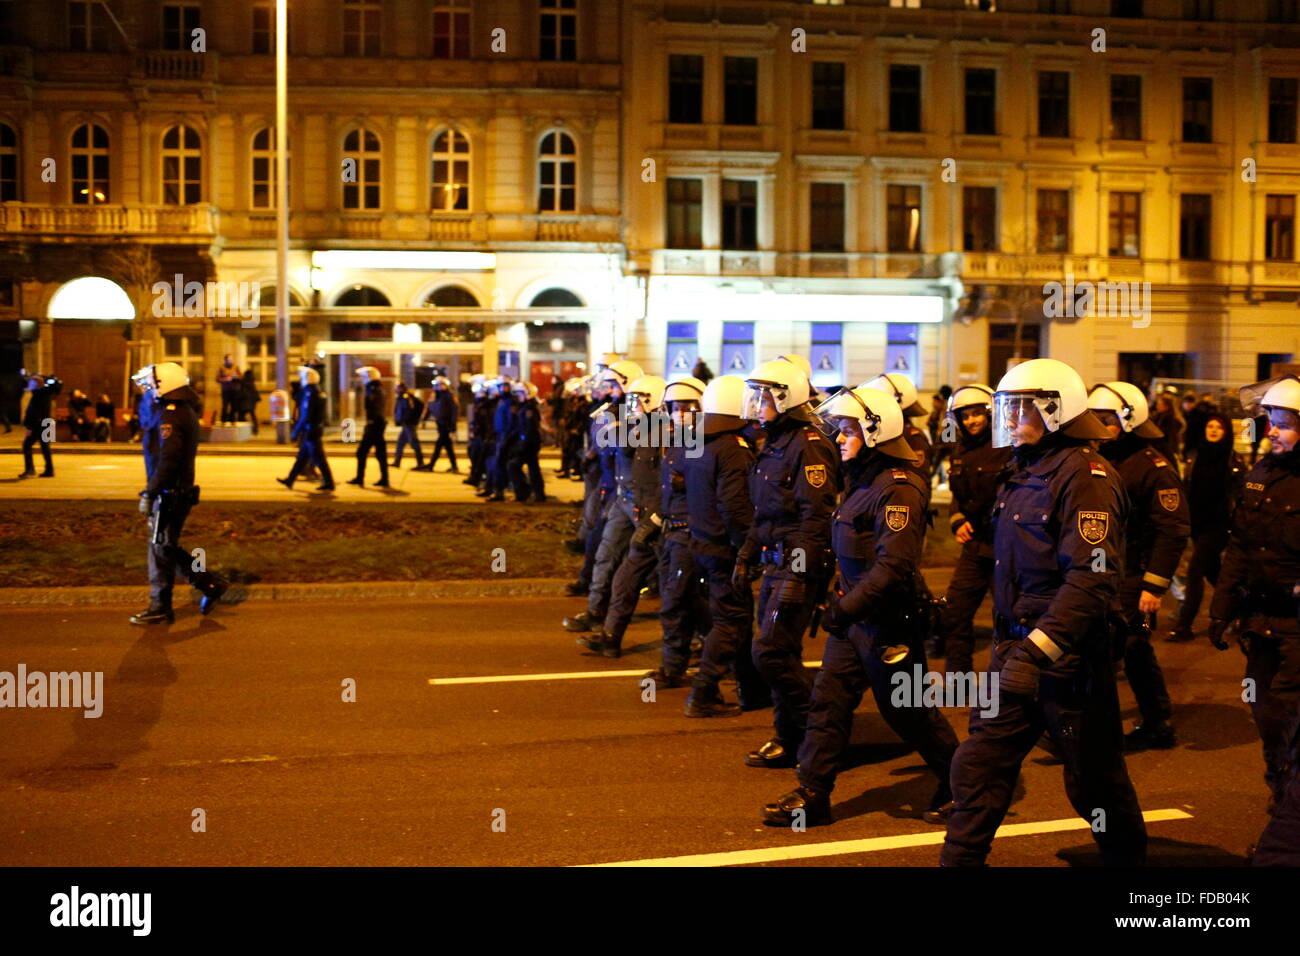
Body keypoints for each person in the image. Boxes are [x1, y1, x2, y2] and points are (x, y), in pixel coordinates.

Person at [942, 357, 1147, 867]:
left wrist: (1040, 649)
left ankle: (1128, 864)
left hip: (1067, 658)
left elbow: (1091, 578)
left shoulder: (1087, 476)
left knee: (1093, 779)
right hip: (1015, 647)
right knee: (979, 764)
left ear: (1056, 411)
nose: (1008, 421)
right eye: (1005, 409)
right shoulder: (1024, 468)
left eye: (1020, 409)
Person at [762, 385, 959, 827]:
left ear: (874, 432)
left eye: (848, 430)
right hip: (853, 620)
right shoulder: (862, 480)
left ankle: (963, 786)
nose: (839, 439)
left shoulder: (899, 489)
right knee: (828, 705)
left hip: (888, 623)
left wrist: (845, 609)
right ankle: (812, 794)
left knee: (907, 711)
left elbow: (893, 567)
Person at [1207, 374, 1300, 866]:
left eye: (1281, 422)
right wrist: (1221, 609)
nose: (1272, 430)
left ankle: (1284, 839)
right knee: (1268, 720)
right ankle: (1281, 810)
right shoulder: (1260, 473)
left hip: (1298, 626)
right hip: (1261, 623)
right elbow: (1239, 546)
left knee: (1290, 719)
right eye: (1270, 420)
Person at [734, 357, 840, 769]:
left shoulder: (808, 445)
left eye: (764, 396)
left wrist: (801, 572)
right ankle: (789, 738)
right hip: (773, 561)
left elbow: (816, 517)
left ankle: (824, 730)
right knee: (783, 654)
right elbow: (766, 513)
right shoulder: (774, 442)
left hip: (796, 565)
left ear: (786, 398)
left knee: (770, 653)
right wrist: (746, 554)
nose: (757, 403)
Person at [1088, 381, 1190, 752]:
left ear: (1129, 419)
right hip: (1102, 571)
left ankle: (1133, 727)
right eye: (1094, 418)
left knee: (1123, 648)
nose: (1100, 427)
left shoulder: (1153, 467)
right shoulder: (1098, 458)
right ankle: (1154, 721)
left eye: (1108, 419)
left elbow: (1173, 528)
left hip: (1133, 574)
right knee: (1127, 650)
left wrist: (1154, 585)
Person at [683, 375, 763, 717]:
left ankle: (752, 688)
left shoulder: (701, 443)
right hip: (724, 547)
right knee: (731, 619)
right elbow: (735, 506)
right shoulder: (734, 448)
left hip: (702, 541)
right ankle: (703, 691)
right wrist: (748, 546)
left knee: (737, 617)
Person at [129, 362, 227, 625]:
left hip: (170, 492)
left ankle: (164, 603)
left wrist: (150, 492)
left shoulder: (171, 415)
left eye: (153, 384)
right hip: (174, 491)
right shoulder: (176, 410)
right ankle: (207, 584)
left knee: (160, 547)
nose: (149, 389)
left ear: (166, 384)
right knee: (164, 547)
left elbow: (168, 459)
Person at [579, 375, 668, 656]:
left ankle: (699, 641)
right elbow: (612, 445)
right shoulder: (636, 424)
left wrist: (656, 516)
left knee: (676, 583)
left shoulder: (668, 432)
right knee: (620, 570)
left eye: (638, 401)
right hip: (629, 502)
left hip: (657, 515)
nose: (632, 406)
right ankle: (609, 634)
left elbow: (676, 480)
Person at [563, 362, 647, 631]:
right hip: (621, 496)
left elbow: (685, 458)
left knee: (672, 572)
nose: (610, 391)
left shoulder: (660, 422)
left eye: (615, 385)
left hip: (650, 505)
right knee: (605, 554)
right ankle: (597, 612)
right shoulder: (614, 414)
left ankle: (701, 634)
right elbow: (606, 445)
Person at [939, 384, 1012, 674]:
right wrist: (956, 517)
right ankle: (958, 679)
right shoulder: (960, 450)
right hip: (974, 548)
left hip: (1003, 548)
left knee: (1010, 617)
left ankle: (1011, 682)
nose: (971, 421)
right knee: (955, 613)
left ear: (990, 413)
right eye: (965, 416)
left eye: (976, 414)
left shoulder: (1007, 447)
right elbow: (958, 494)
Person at [644, 376, 709, 686]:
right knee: (687, 603)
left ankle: (674, 667)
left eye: (688, 408)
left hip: (689, 533)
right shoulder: (671, 441)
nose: (680, 415)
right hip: (671, 530)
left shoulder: (701, 444)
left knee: (676, 602)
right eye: (675, 408)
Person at [1168, 413, 1244, 643]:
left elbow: (1240, 496)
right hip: (1197, 523)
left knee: (1195, 572)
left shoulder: (1233, 460)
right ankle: (1241, 610)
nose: (1212, 430)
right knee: (1217, 576)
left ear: (1226, 432)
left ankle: (1184, 625)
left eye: (1218, 427)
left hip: (1219, 525)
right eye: (1210, 426)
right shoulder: (1195, 456)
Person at [276, 365, 335, 491]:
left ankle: (329, 483)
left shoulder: (310, 394)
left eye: (302, 377)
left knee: (319, 459)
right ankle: (290, 480)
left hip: (311, 431)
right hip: (314, 429)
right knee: (302, 458)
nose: (301, 379)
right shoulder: (317, 392)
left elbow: (305, 415)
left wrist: (295, 431)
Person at [347, 366, 389, 488]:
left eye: (364, 377)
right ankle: (383, 479)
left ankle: (361, 478)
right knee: (379, 453)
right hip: (376, 424)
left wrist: (371, 423)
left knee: (362, 452)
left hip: (374, 425)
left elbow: (373, 408)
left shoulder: (373, 389)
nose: (362, 379)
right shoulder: (377, 388)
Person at [507, 381, 544, 501]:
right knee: (532, 468)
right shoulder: (525, 407)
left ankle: (525, 493)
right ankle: (535, 494)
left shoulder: (529, 408)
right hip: (528, 442)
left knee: (515, 466)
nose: (518, 396)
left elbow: (529, 428)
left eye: (520, 393)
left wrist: (523, 443)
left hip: (529, 443)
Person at [18, 372, 57, 478]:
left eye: (31, 383)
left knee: (27, 445)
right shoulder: (45, 392)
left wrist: (29, 426)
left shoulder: (39, 393)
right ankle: (49, 470)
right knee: (45, 448)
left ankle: (30, 470)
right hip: (48, 422)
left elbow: (32, 412)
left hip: (39, 424)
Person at [131, 367, 163, 479]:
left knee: (156, 465)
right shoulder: (149, 395)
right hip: (153, 435)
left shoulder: (157, 395)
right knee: (152, 466)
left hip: (157, 435)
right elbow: (145, 418)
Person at [423, 376, 459, 473]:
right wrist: (425, 417)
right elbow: (431, 407)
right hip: (440, 424)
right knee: (448, 446)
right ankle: (454, 466)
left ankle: (431, 465)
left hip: (446, 425)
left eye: (440, 385)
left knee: (439, 445)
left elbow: (453, 412)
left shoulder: (448, 396)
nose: (438, 387)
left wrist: (453, 427)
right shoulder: (436, 396)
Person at [392, 382, 426, 470]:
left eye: (396, 387)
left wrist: (412, 419)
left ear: (401, 388)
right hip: (405, 423)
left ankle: (420, 463)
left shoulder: (406, 397)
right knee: (400, 443)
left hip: (409, 424)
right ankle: (397, 461)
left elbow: (413, 408)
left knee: (414, 443)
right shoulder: (402, 396)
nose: (395, 389)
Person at [1148, 391, 1184, 467]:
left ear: (1166, 406)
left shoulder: (1168, 419)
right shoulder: (1159, 417)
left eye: (1159, 404)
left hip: (1165, 452)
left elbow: (1170, 438)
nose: (1157, 406)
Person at [217, 355, 240, 425]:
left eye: (231, 359)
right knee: (225, 406)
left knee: (234, 405)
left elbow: (241, 376)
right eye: (228, 360)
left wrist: (236, 376)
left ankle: (232, 420)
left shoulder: (236, 367)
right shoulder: (221, 368)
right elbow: (217, 379)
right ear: (225, 360)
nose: (230, 361)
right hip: (225, 390)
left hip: (234, 389)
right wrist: (225, 379)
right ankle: (223, 420)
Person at [239, 369, 260, 436]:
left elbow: (241, 392)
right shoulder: (252, 382)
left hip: (245, 401)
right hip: (251, 402)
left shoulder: (243, 382)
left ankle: (246, 429)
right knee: (253, 415)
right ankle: (255, 429)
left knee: (241, 415)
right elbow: (255, 394)